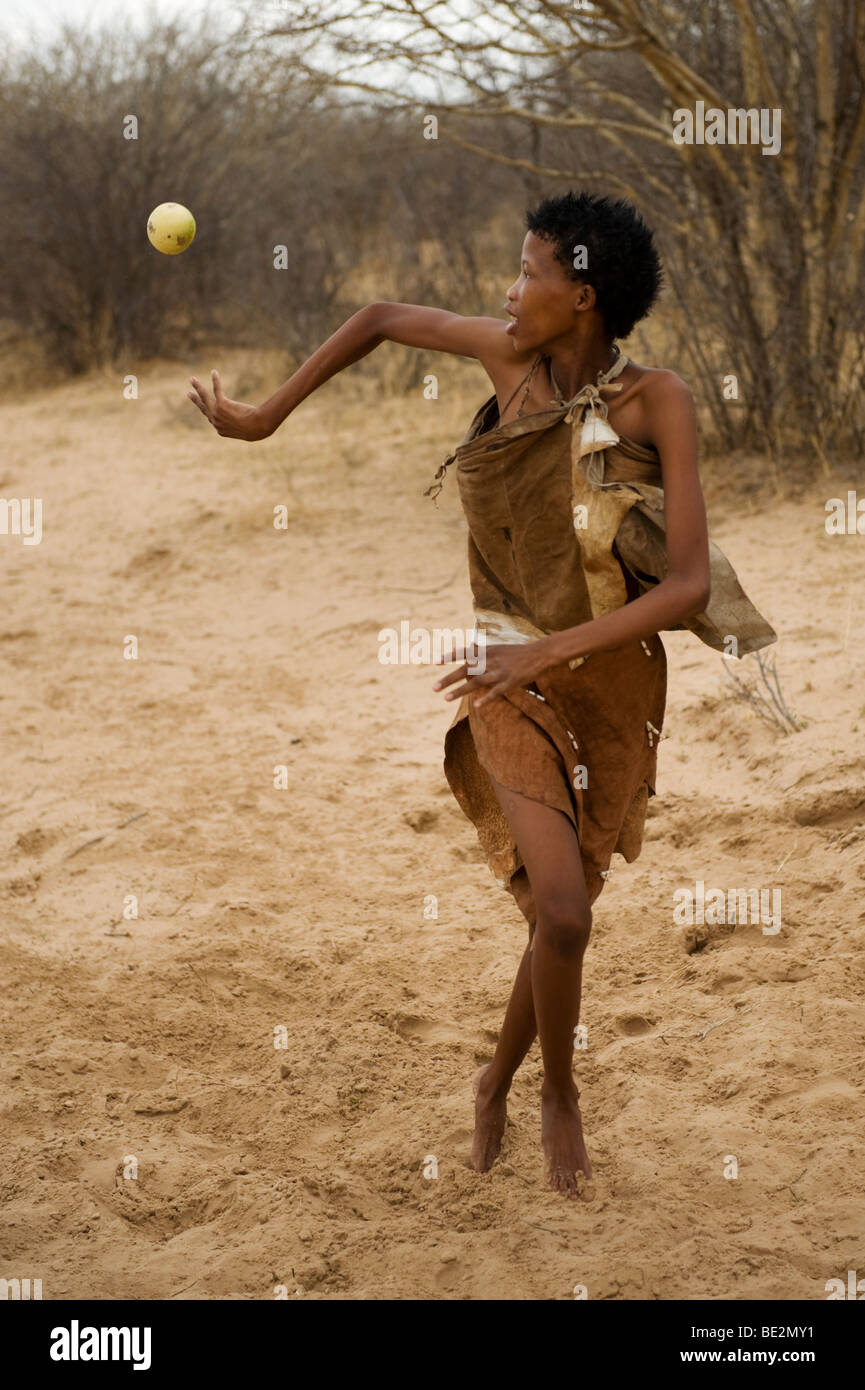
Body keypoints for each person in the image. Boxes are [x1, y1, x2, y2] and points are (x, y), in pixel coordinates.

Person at [187, 191, 775, 1199]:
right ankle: (560, 1096)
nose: (508, 292)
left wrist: (554, 654)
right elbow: (376, 317)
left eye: (526, 272)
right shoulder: (508, 360)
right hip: (504, 673)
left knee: (565, 917)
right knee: (561, 909)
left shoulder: (658, 403)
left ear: (580, 297)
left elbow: (683, 586)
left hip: (611, 683)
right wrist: (262, 418)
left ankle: (496, 1077)